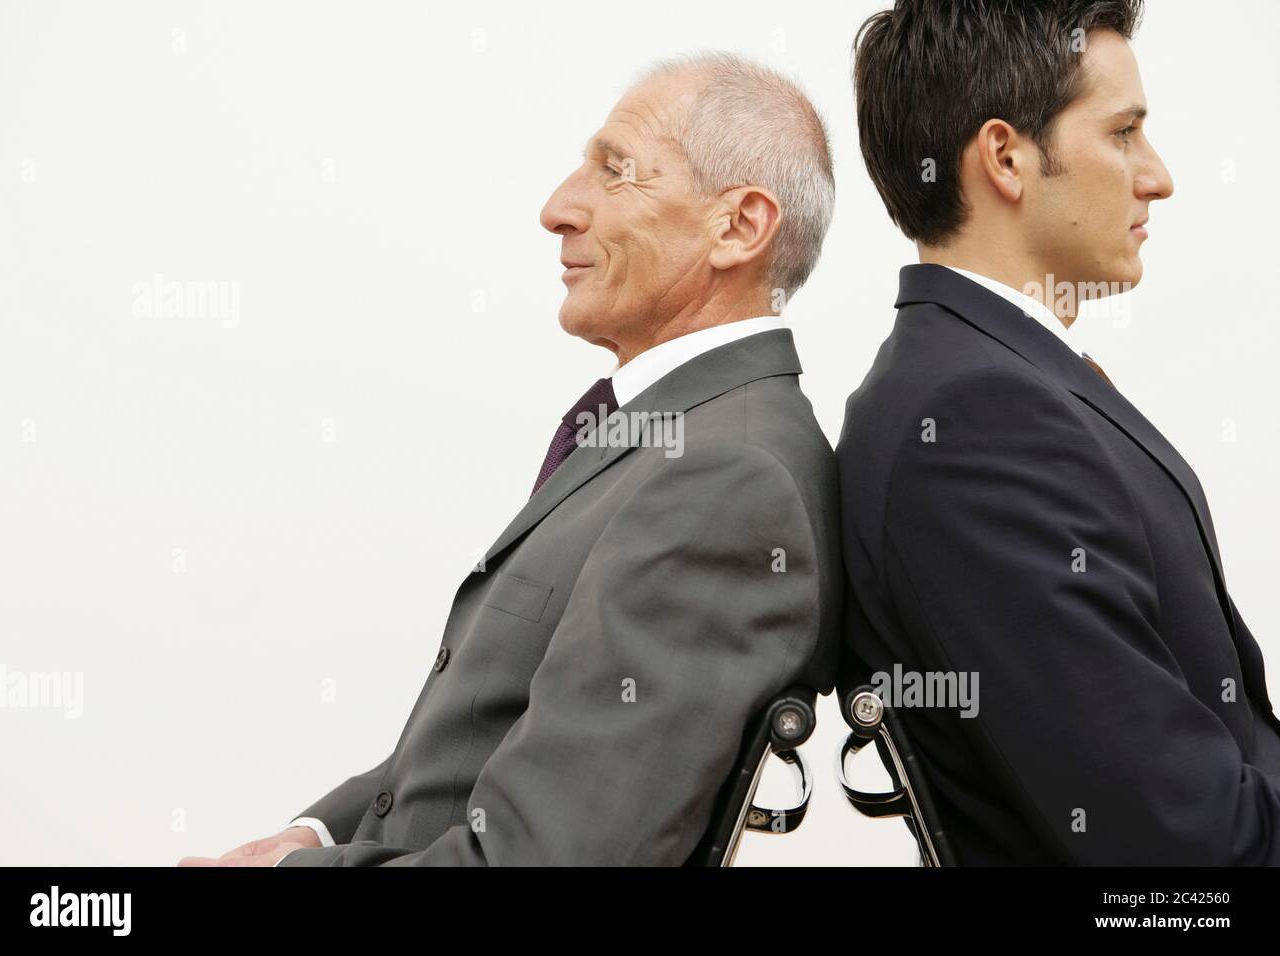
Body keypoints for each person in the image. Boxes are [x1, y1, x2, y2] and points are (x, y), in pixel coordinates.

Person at [180, 52, 842, 867]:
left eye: (616, 170)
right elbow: (480, 744)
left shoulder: (728, 478)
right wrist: (310, 835)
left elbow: (548, 858)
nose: (558, 208)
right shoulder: (678, 437)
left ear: (739, 226)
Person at [838, 0, 1280, 864]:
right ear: (1005, 157)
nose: (1157, 176)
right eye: (1123, 133)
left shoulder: (993, 382)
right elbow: (1181, 850)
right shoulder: (973, 425)